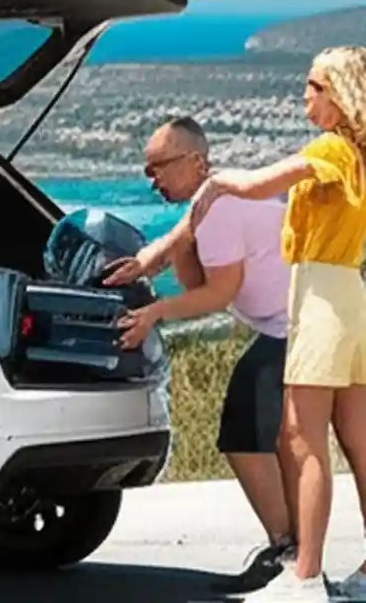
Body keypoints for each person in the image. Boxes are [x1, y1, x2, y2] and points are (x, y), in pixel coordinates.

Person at [188, 46, 366, 602]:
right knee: (358, 443)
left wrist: (217, 183)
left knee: (301, 439)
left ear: (337, 95)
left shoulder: (331, 149)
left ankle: (306, 578)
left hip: (321, 297)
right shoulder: (358, 155)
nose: (305, 95)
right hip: (352, 293)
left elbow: (270, 181)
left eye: (314, 85)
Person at [104, 115, 296, 594]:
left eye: (160, 168)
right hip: (295, 326)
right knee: (278, 441)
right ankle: (295, 548)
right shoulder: (213, 200)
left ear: (195, 161)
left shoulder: (222, 208)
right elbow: (186, 248)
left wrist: (153, 312)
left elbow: (216, 294)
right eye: (148, 172)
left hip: (291, 330)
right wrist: (150, 259)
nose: (154, 181)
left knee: (243, 433)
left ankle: (286, 549)